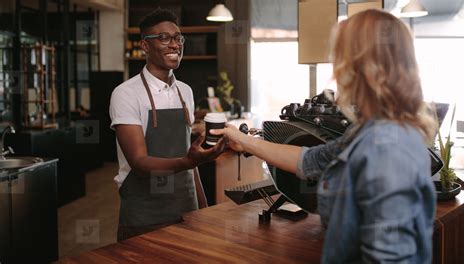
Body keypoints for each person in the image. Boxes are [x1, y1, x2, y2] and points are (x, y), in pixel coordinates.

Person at [212, 9, 437, 263]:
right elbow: (310, 161)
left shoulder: (385, 147)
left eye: (341, 57)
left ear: (362, 67)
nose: (337, 70)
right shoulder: (370, 132)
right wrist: (243, 140)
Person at [109, 8, 225, 241]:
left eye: (178, 38)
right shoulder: (126, 94)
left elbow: (189, 159)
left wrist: (203, 208)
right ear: (145, 46)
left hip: (187, 210)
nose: (175, 44)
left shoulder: (185, 92)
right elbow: (139, 163)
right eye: (164, 38)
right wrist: (188, 161)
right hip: (145, 214)